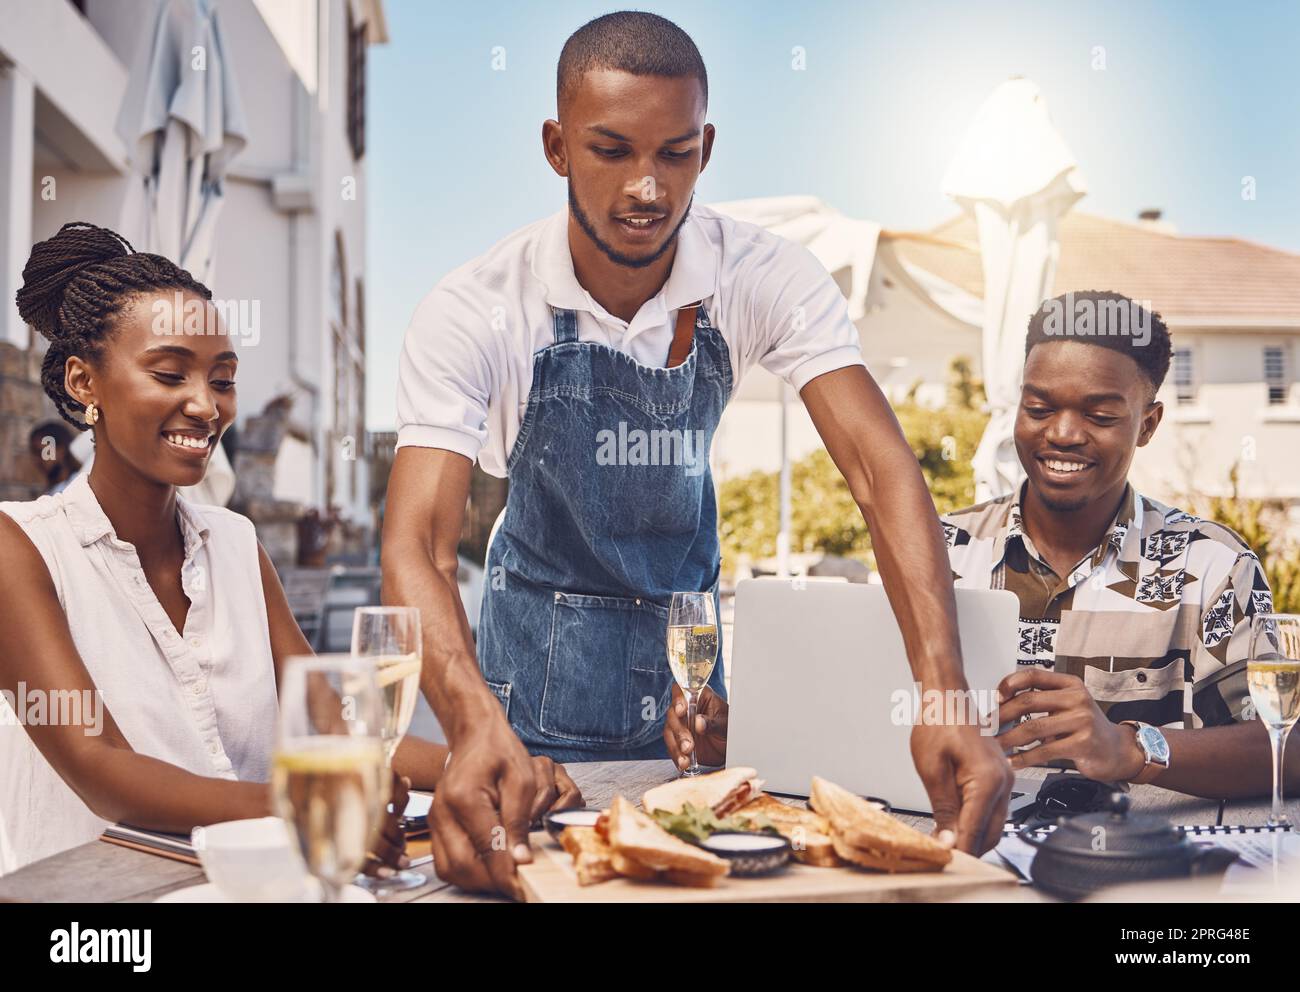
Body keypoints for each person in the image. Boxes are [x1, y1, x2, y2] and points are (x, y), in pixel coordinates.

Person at [383, 11, 1010, 899]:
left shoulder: (765, 276)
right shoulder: (475, 309)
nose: (647, 188)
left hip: (693, 679)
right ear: (557, 146)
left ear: (706, 148)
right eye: (612, 151)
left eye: (674, 154)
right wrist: (473, 723)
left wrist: (943, 695)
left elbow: (880, 473)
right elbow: (417, 545)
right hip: (530, 711)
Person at [0, 223, 579, 877]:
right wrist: (308, 805)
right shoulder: (19, 549)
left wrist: (486, 767)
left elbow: (333, 728)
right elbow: (99, 768)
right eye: (169, 374)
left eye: (222, 381)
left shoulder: (236, 544)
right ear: (84, 383)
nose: (204, 405)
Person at [666, 291, 1298, 800]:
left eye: (1101, 416)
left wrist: (1134, 748)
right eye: (1040, 407)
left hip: (1144, 876)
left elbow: (1288, 748)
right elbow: (861, 721)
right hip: (959, 856)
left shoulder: (1211, 564)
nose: (1064, 434)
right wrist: (749, 737)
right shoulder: (938, 549)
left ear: (1149, 424)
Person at [27, 420, 82, 495]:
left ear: (61, 450)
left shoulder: (79, 487)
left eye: (41, 452)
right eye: (34, 454)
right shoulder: (51, 492)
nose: (36, 460)